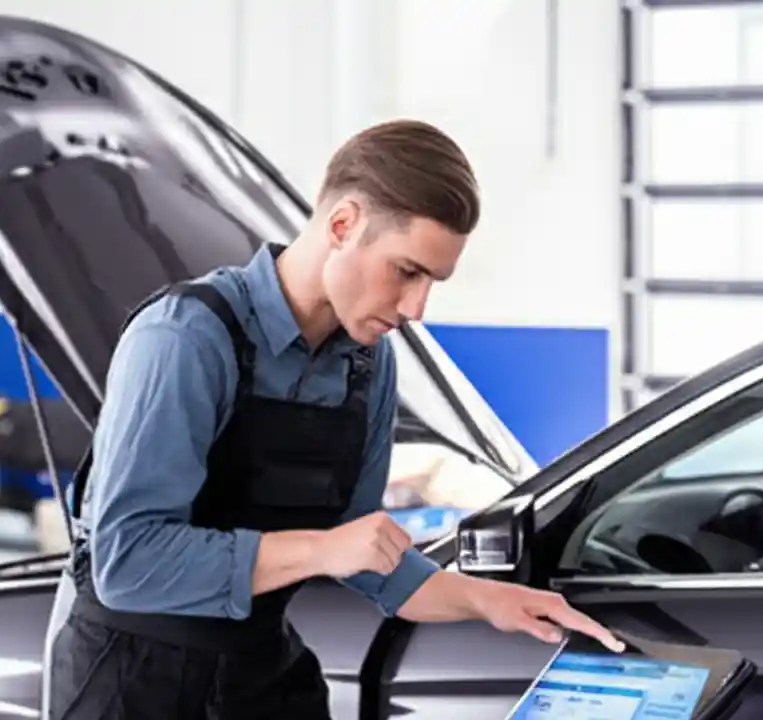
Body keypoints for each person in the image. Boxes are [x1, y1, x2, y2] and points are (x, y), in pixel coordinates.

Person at [48, 119, 624, 719]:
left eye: (433, 282)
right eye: (406, 271)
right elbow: (129, 560)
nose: (417, 308)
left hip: (257, 676)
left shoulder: (369, 370)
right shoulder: (186, 338)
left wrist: (491, 601)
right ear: (343, 225)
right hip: (131, 685)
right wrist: (323, 550)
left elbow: (367, 555)